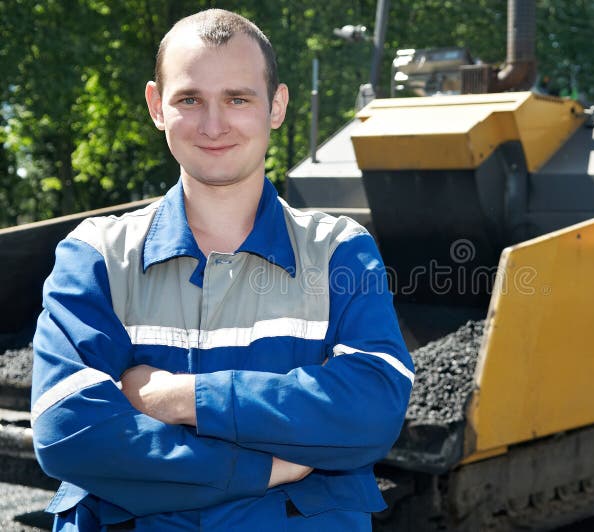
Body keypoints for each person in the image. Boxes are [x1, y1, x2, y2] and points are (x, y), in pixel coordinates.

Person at [31, 8, 414, 531]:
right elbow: (68, 430)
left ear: (276, 106)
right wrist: (262, 468)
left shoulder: (339, 252)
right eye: (190, 99)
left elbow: (372, 409)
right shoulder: (96, 256)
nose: (214, 125)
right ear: (156, 106)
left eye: (238, 98)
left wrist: (179, 396)